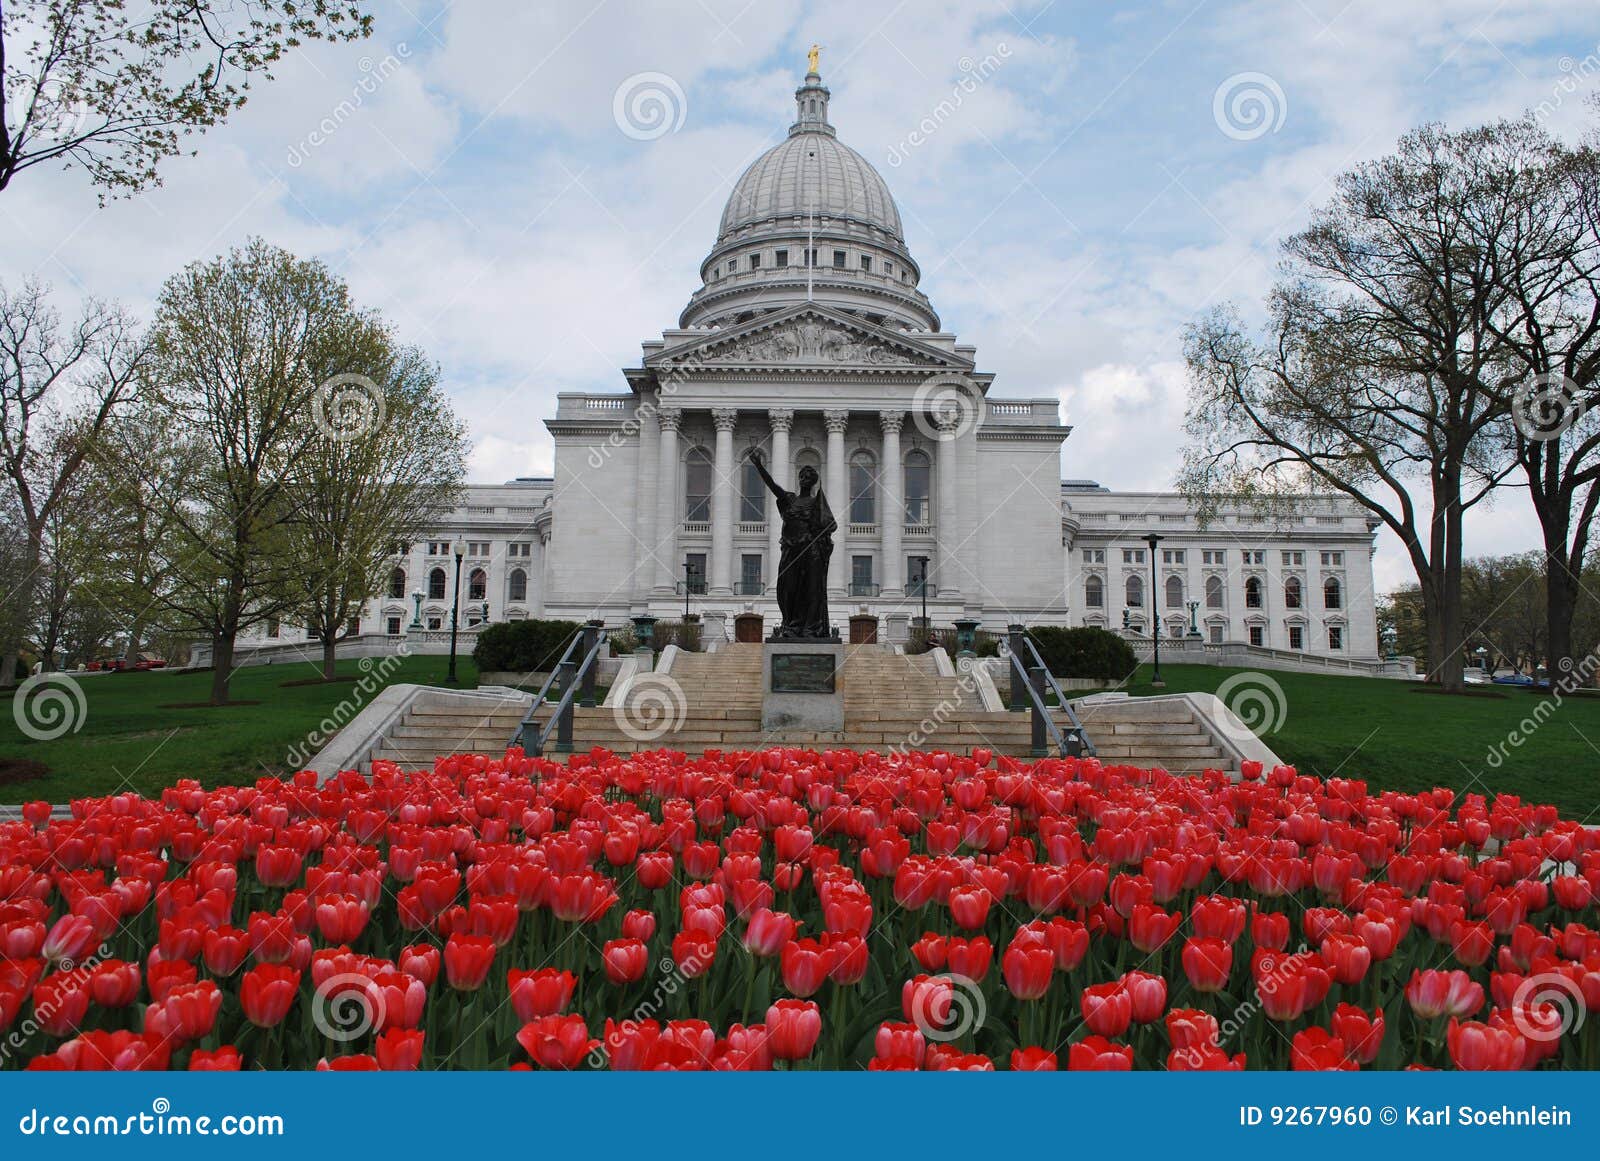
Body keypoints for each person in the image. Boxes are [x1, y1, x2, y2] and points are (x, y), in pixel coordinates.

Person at [748, 449, 835, 638]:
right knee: (788, 588)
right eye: (802, 476)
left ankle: (810, 628)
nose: (804, 479)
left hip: (811, 551)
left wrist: (817, 536)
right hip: (791, 550)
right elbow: (773, 486)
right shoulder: (790, 499)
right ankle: (791, 626)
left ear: (813, 482)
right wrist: (759, 466)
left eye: (808, 477)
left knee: (812, 590)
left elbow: (831, 525)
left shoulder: (817, 503)